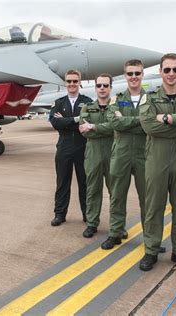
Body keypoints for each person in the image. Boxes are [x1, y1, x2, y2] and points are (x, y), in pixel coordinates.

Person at [138, 53, 176, 271]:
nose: (171, 74)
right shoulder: (150, 98)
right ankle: (151, 250)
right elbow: (148, 126)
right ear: (161, 72)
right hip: (156, 161)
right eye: (167, 69)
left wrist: (168, 118)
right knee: (154, 207)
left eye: (175, 69)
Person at [100, 60, 147, 249]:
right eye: (130, 73)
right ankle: (115, 232)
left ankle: (150, 238)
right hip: (121, 153)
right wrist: (140, 121)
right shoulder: (116, 99)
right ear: (125, 75)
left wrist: (126, 121)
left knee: (148, 198)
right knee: (117, 195)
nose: (134, 77)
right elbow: (114, 123)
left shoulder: (150, 99)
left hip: (145, 153)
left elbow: (150, 123)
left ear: (142, 74)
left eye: (137, 73)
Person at [49, 70, 93, 226]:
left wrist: (66, 121)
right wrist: (75, 120)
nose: (72, 84)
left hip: (83, 148)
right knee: (62, 183)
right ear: (65, 83)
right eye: (69, 81)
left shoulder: (88, 102)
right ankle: (59, 214)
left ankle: (88, 214)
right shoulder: (59, 103)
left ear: (79, 82)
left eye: (75, 81)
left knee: (85, 183)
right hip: (64, 148)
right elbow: (55, 123)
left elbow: (88, 121)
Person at [78, 74, 114, 238]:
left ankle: (117, 226)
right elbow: (83, 130)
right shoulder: (87, 107)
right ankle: (92, 223)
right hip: (93, 153)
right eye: (99, 85)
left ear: (110, 87)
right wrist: (103, 129)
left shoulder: (116, 108)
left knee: (116, 191)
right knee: (93, 190)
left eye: (105, 85)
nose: (102, 88)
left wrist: (93, 127)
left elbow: (116, 127)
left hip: (113, 153)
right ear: (95, 88)